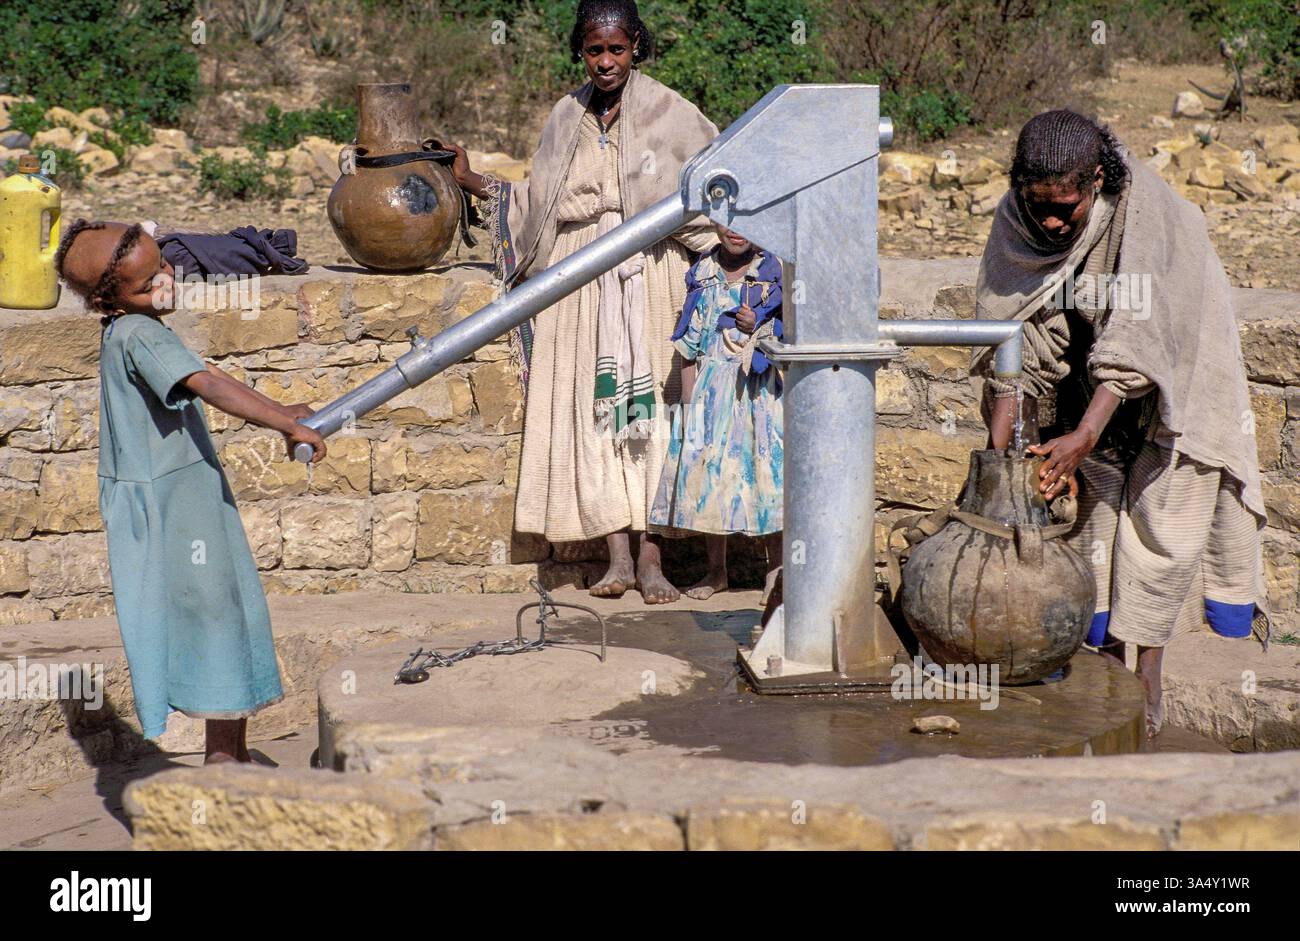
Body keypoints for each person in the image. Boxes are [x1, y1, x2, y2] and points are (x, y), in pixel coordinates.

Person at [972, 110, 1267, 738]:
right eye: (1038, 204)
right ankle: (1104, 668)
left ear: (1098, 181)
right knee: (1092, 526)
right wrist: (999, 466)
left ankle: (1149, 673)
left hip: (1178, 374)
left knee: (1162, 532)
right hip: (1087, 376)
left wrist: (1082, 436)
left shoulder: (1146, 214)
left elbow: (1140, 339)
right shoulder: (1018, 219)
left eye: (1066, 208)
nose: (1050, 221)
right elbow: (1011, 339)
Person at [445, 0, 718, 604]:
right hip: (580, 281)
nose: (605, 62)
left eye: (616, 49)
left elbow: (716, 192)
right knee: (597, 416)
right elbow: (537, 206)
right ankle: (616, 559)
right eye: (594, 50)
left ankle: (653, 560)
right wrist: (472, 181)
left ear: (636, 47)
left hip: (653, 274)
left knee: (654, 419)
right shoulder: (565, 117)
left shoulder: (672, 113)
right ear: (581, 52)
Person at [55, 220, 325, 763]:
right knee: (218, 613)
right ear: (110, 300)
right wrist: (284, 425)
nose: (166, 281)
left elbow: (205, 370)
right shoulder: (142, 334)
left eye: (164, 267)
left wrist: (280, 410)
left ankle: (230, 755)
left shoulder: (127, 329)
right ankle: (225, 764)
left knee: (215, 610)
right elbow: (209, 384)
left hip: (169, 499)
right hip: (178, 507)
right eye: (146, 282)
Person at [650, 224, 784, 601]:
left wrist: (757, 324)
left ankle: (775, 572)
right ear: (714, 225)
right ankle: (716, 572)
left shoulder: (772, 274)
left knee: (765, 476)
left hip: (759, 393)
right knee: (710, 476)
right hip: (712, 392)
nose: (737, 232)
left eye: (747, 222)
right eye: (728, 223)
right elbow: (690, 348)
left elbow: (789, 333)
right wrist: (691, 410)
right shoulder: (702, 275)